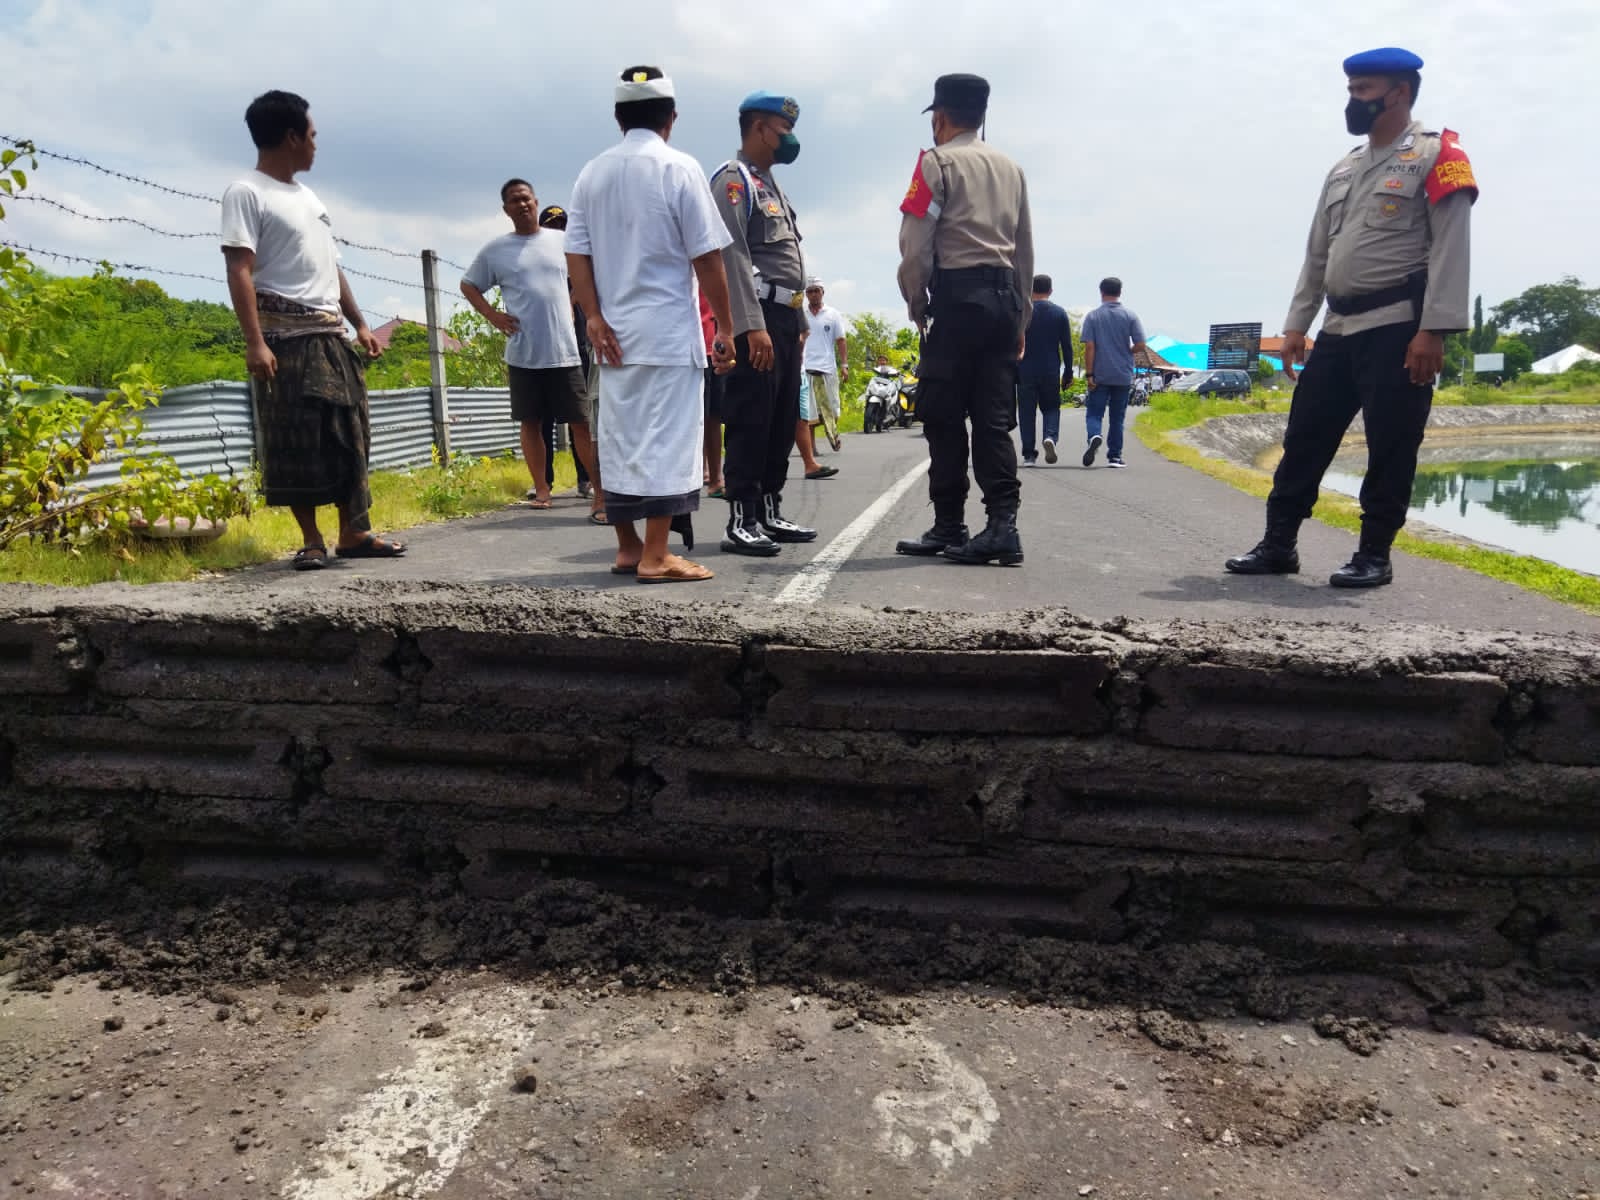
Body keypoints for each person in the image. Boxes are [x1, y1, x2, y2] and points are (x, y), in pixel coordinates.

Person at [1224, 47, 1475, 589]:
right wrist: (1297, 323)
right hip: (1337, 328)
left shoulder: (1437, 156)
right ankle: (1278, 544)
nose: (1353, 99)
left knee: (1391, 443)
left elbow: (1452, 248)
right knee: (1305, 437)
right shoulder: (1344, 167)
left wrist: (1434, 329)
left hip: (1398, 326)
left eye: (1364, 90)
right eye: (1351, 90)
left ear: (1400, 93)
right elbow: (1319, 252)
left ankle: (1374, 554)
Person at [220, 89, 406, 571]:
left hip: (331, 336)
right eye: (312, 135)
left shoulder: (309, 198)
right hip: (285, 340)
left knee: (349, 432)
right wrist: (254, 341)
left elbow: (331, 266)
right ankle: (311, 540)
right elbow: (240, 268)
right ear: (291, 136)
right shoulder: (247, 192)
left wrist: (361, 323)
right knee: (294, 437)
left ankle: (354, 532)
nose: (316, 145)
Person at [565, 65, 737, 583]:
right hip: (666, 334)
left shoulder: (591, 173)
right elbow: (707, 258)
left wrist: (592, 315)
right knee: (667, 440)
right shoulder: (679, 168)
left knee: (618, 438)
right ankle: (657, 555)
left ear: (619, 117)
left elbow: (576, 253)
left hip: (612, 336)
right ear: (671, 118)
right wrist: (725, 327)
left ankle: (627, 546)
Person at [893, 73, 1034, 566]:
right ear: (982, 115)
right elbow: (1023, 249)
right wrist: (1021, 319)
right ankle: (1002, 527)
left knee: (944, 416)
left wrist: (917, 302)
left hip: (956, 302)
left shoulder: (935, 163)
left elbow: (915, 245)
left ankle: (949, 524)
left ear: (940, 117)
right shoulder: (1011, 168)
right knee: (994, 420)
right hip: (1003, 304)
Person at [709, 91, 815, 557]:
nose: (790, 138)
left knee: (780, 417)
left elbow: (787, 258)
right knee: (752, 415)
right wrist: (750, 325)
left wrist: (802, 316)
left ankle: (770, 509)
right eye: (783, 129)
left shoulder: (770, 185)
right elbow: (732, 255)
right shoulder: (734, 181)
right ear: (758, 129)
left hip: (787, 317)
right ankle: (742, 518)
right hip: (760, 316)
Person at [460, 181, 600, 514]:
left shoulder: (561, 240)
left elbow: (588, 272)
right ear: (506, 209)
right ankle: (542, 490)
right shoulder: (496, 250)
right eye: (514, 201)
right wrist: (492, 315)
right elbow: (468, 285)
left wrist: (574, 299)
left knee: (581, 423)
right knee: (531, 422)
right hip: (524, 352)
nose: (522, 205)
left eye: (526, 199)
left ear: (536, 202)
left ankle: (601, 493)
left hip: (564, 351)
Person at [536, 204, 596, 510]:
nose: (557, 232)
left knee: (579, 417)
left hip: (577, 349)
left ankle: (586, 479)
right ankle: (543, 483)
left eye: (562, 226)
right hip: (544, 350)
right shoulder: (537, 264)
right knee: (541, 419)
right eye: (551, 226)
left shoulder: (580, 265)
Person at [1079, 277, 1148, 469]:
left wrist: (1090, 374)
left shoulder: (1093, 316)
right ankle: (1115, 457)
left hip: (1100, 374)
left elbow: (1090, 347)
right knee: (1117, 418)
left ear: (1101, 292)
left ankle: (1094, 436)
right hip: (1122, 374)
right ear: (1120, 292)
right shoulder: (1130, 315)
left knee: (1094, 414)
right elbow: (1141, 344)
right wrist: (1128, 351)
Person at [1016, 273, 1073, 465]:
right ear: (1050, 291)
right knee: (1051, 408)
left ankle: (1028, 455)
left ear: (1031, 290)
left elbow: (1013, 342)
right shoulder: (1059, 313)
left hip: (1025, 370)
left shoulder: (1022, 312)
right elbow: (1067, 346)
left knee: (1026, 412)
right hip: (1050, 370)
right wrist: (1068, 373)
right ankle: (1050, 437)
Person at [802, 277, 848, 461]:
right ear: (806, 294)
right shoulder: (801, 314)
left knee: (832, 407)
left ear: (822, 292)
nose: (813, 294)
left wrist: (845, 365)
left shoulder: (833, 314)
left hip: (828, 368)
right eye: (810, 291)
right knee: (809, 412)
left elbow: (841, 340)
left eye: (816, 290)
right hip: (806, 367)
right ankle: (811, 447)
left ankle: (832, 433)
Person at [699, 290, 726, 496]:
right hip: (682, 347)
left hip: (712, 347)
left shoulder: (714, 263)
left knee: (713, 415)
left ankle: (716, 479)